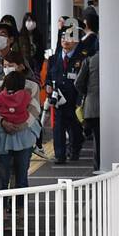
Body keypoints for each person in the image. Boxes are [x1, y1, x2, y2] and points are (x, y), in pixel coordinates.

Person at [0, 70, 39, 189]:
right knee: (22, 175)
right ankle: (20, 206)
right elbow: (34, 110)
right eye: (5, 65)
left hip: (3, 136)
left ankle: (3, 206)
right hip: (23, 136)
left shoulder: (2, 94)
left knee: (3, 176)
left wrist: (4, 122)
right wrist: (21, 126)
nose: (7, 67)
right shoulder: (26, 94)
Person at [47, 33, 87, 163]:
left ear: (75, 41)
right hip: (58, 99)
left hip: (74, 99)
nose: (65, 41)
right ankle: (60, 155)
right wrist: (48, 86)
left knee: (75, 127)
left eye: (69, 39)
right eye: (63, 38)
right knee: (58, 128)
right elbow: (48, 77)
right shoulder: (53, 59)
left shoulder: (81, 59)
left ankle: (75, 149)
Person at [76, 49, 101, 172]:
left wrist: (89, 93)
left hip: (94, 106)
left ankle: (99, 170)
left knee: (98, 141)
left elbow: (78, 82)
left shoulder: (90, 60)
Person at [19, 11, 45, 77]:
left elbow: (41, 52)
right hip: (24, 66)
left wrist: (39, 65)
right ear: (24, 22)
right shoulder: (20, 36)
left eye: (33, 20)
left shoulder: (39, 36)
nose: (31, 22)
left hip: (36, 66)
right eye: (28, 20)